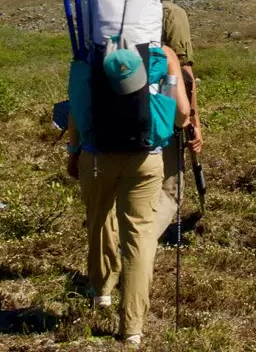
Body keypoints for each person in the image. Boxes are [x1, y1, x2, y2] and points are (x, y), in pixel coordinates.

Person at [68, 45, 190, 347]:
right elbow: (182, 115)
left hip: (96, 157)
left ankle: (102, 292)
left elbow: (77, 105)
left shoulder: (90, 51)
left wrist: (73, 150)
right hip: (145, 159)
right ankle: (132, 327)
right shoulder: (163, 54)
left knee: (98, 220)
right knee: (140, 236)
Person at [129, 0, 204, 240]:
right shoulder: (171, 14)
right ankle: (138, 248)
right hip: (161, 112)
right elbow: (185, 75)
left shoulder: (119, 13)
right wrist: (193, 121)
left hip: (116, 111)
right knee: (169, 191)